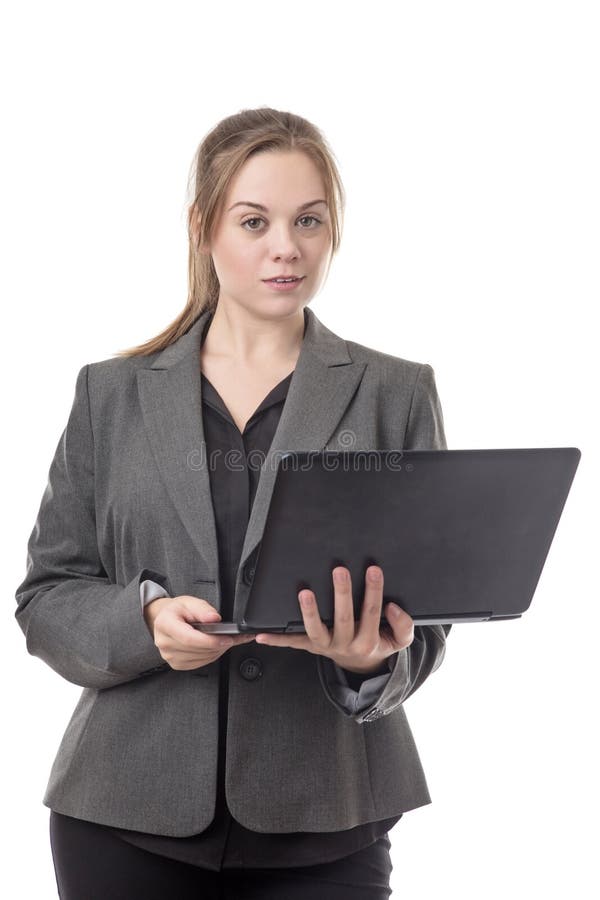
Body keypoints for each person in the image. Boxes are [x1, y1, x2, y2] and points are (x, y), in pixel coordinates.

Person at [14, 106, 451, 899]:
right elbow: (48, 596)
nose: (286, 246)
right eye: (255, 221)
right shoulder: (109, 395)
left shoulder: (396, 393)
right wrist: (143, 624)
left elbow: (432, 612)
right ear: (202, 228)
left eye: (309, 220)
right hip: (123, 816)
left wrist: (370, 660)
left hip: (328, 817)